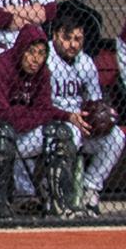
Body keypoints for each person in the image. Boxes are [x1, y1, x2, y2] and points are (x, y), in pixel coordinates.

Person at [0, 25, 78, 219]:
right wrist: (28, 113)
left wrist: (22, 114)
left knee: (60, 133)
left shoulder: (42, 73)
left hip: (14, 130)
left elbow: (45, 110)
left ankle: (60, 205)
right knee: (3, 133)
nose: (35, 59)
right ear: (21, 49)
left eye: (41, 53)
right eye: (31, 52)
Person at [44, 11, 119, 217]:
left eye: (78, 39)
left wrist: (97, 118)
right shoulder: (45, 58)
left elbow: (94, 101)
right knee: (71, 132)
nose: (73, 45)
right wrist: (70, 119)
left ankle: (90, 190)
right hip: (50, 123)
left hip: (80, 124)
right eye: (67, 38)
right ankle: (59, 195)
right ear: (56, 36)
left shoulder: (85, 62)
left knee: (116, 137)